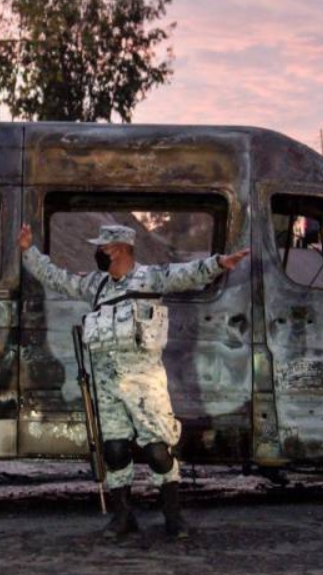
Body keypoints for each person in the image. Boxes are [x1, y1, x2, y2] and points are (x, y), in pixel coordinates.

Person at [17, 223, 249, 540]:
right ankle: (123, 517)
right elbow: (58, 278)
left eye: (104, 247)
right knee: (113, 449)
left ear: (122, 248)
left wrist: (220, 263)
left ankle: (173, 517)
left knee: (156, 449)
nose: (98, 252)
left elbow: (187, 274)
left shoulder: (149, 278)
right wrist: (29, 251)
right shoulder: (95, 285)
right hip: (106, 381)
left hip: (143, 381)